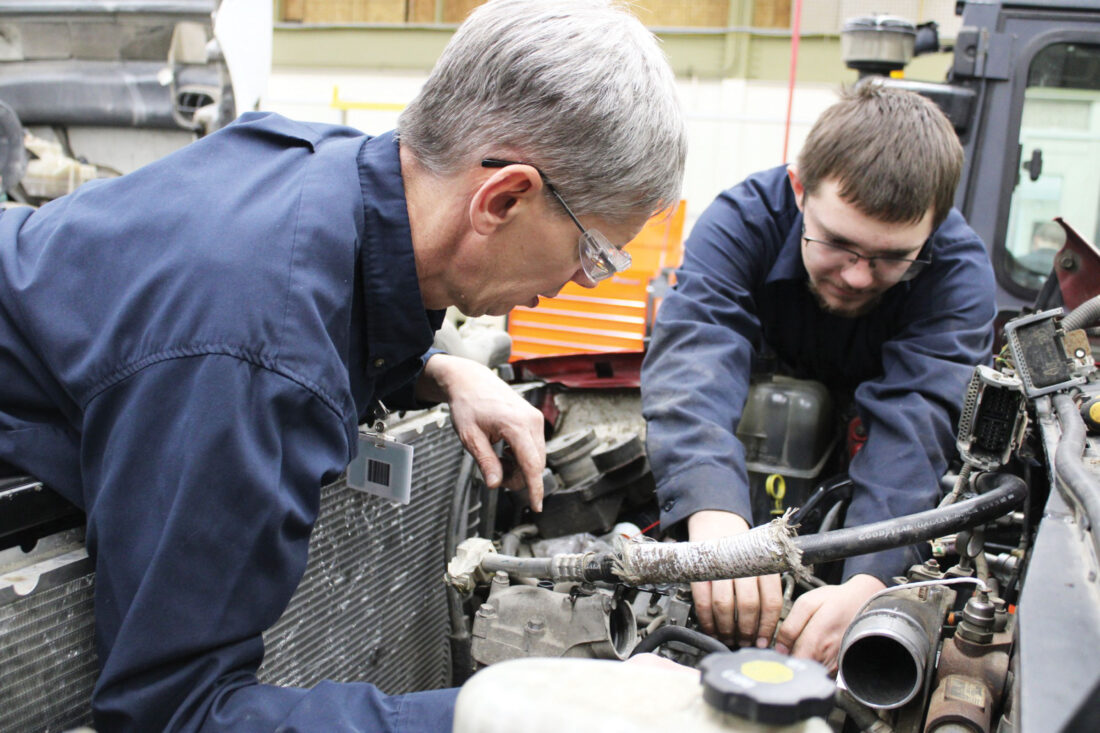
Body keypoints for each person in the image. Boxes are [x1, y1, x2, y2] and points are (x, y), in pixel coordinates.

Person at [0, 1, 686, 730]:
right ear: (505, 196)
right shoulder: (256, 353)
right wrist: (532, 713)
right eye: (595, 253)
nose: (582, 282)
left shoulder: (328, 163)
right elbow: (171, 713)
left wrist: (441, 367)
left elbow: (346, 287)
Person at [641, 83, 995, 672]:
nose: (858, 276)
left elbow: (919, 414)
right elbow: (696, 355)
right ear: (799, 188)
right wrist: (716, 519)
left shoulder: (958, 272)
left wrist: (869, 585)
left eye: (890, 257)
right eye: (838, 243)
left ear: (931, 231)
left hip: (877, 473)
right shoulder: (743, 220)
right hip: (748, 446)